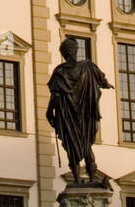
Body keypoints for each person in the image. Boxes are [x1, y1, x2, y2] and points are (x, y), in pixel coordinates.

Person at [45, 37, 112, 184]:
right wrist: (106, 85)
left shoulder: (60, 72)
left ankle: (76, 180)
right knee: (87, 145)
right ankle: (93, 178)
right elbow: (103, 81)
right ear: (76, 50)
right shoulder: (88, 67)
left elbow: (56, 96)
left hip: (68, 116)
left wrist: (49, 112)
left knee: (72, 147)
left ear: (64, 53)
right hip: (85, 115)